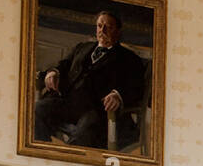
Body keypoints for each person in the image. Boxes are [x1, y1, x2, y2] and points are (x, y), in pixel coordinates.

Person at [33, 10, 148, 150]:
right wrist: (53, 72)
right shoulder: (83, 48)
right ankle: (43, 153)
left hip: (96, 110)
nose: (102, 30)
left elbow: (135, 86)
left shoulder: (129, 58)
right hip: (68, 103)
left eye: (108, 27)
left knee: (84, 133)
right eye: (100, 26)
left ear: (118, 32)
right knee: (37, 109)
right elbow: (64, 65)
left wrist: (117, 95)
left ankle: (68, 164)